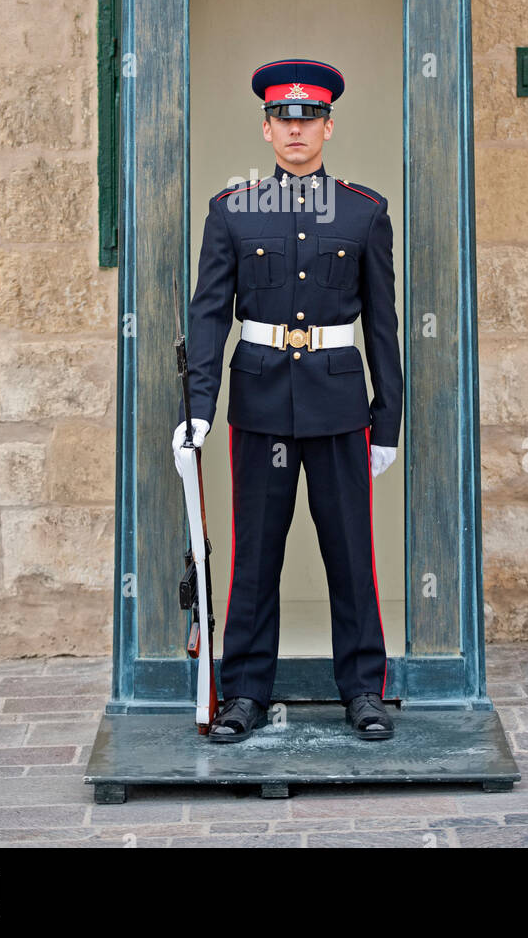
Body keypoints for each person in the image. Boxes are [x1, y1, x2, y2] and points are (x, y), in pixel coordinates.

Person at [172, 58, 403, 741]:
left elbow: (383, 327)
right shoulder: (231, 213)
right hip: (261, 403)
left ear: (328, 127)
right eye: (283, 120)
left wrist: (386, 422)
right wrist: (198, 409)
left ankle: (362, 690)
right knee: (255, 556)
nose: (295, 131)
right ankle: (242, 693)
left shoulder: (364, 212)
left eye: (308, 120)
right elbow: (209, 317)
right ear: (266, 129)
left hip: (338, 407)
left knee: (350, 556)